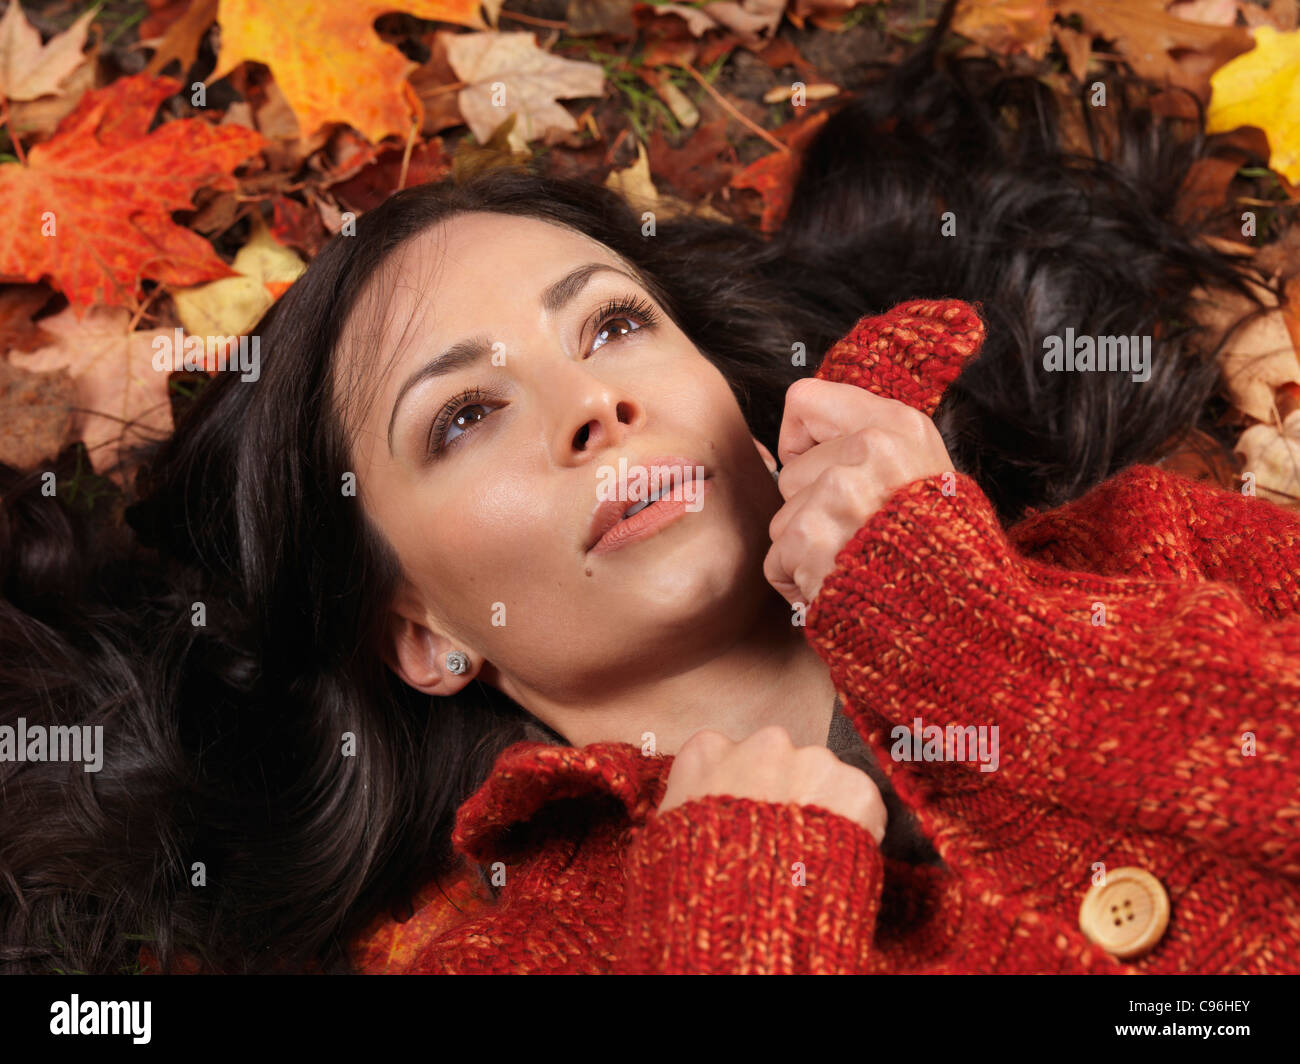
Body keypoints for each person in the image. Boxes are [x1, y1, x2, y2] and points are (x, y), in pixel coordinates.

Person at [0, 7, 1293, 975]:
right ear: (424, 634)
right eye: (463, 416)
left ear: (729, 396)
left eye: (612, 328)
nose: (591, 406)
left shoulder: (1142, 545)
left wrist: (979, 638)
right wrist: (746, 906)